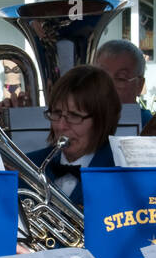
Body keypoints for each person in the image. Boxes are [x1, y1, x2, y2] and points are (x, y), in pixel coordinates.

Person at [26, 65, 121, 206]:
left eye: (75, 116)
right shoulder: (28, 165)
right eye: (57, 113)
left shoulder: (121, 176)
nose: (60, 126)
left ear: (102, 121)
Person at [94, 39, 154, 123]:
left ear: (139, 86)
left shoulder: (154, 128)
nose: (108, 86)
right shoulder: (80, 122)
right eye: (102, 76)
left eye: (120, 78)